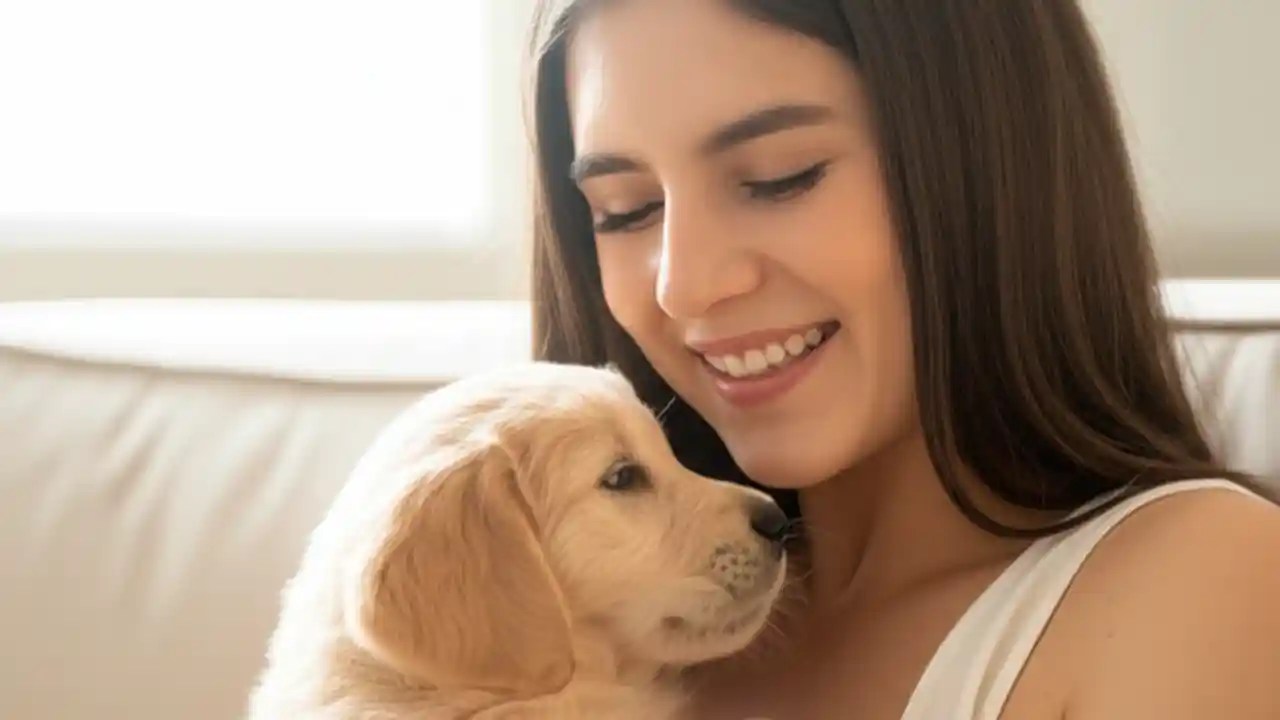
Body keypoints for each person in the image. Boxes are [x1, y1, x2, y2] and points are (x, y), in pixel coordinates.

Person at [525, 0, 1280, 717]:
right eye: (626, 210)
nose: (682, 285)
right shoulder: (573, 632)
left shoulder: (1204, 581)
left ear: (989, 156)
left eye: (779, 177)